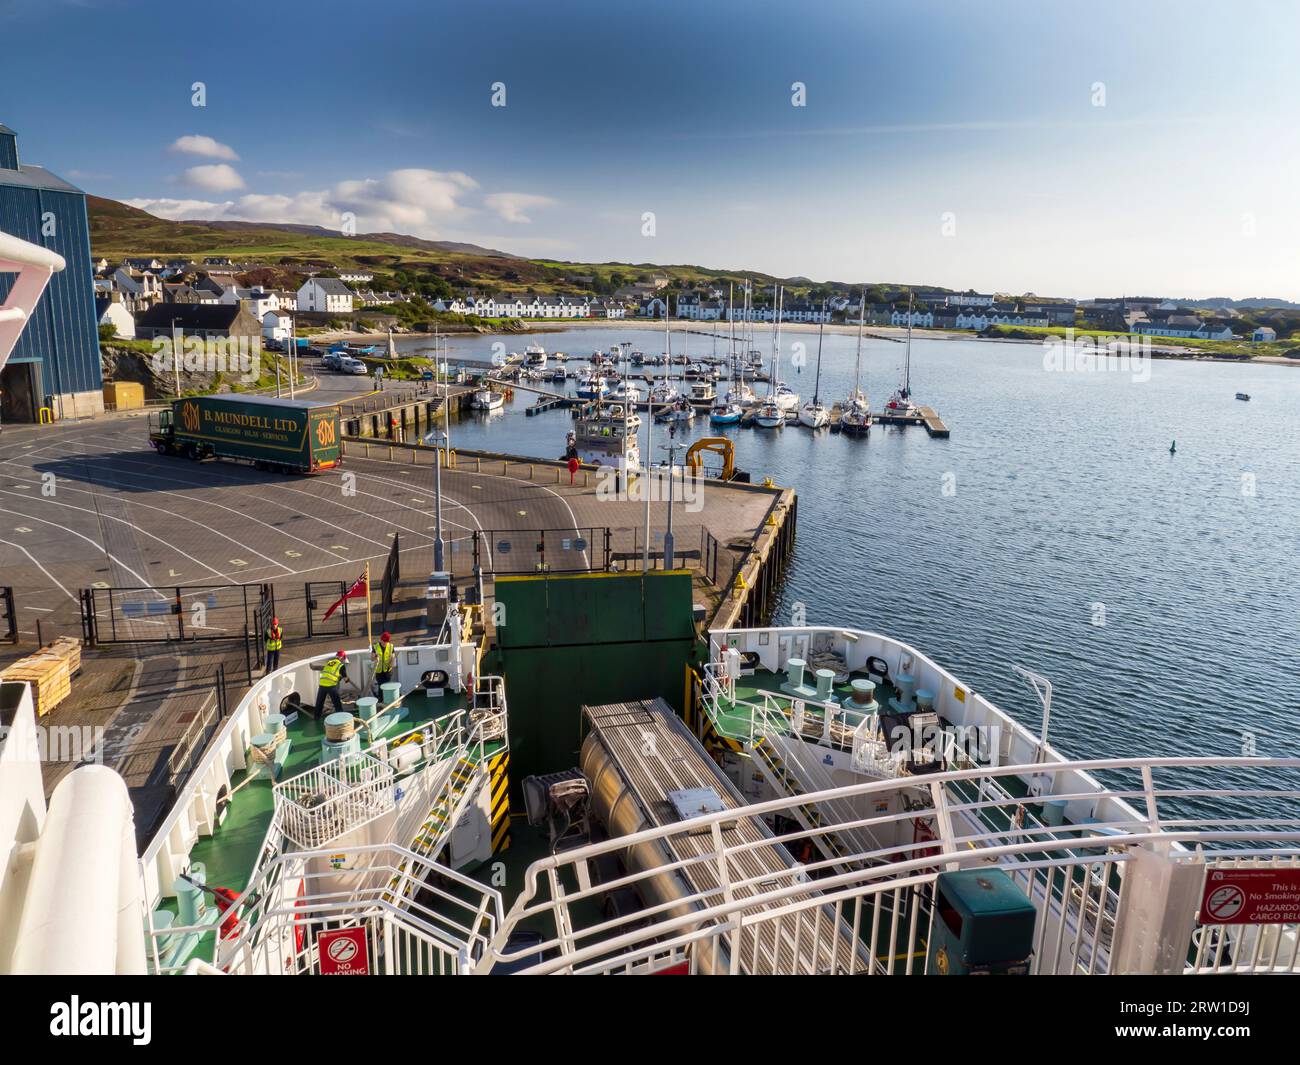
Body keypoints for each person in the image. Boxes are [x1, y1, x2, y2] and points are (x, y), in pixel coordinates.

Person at [314, 649, 349, 718]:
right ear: (342, 657)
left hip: (322, 684)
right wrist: (344, 678)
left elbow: (330, 672)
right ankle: (341, 717)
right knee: (337, 703)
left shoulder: (329, 662)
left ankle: (316, 717)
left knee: (319, 702)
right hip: (331, 686)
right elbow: (346, 679)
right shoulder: (341, 665)